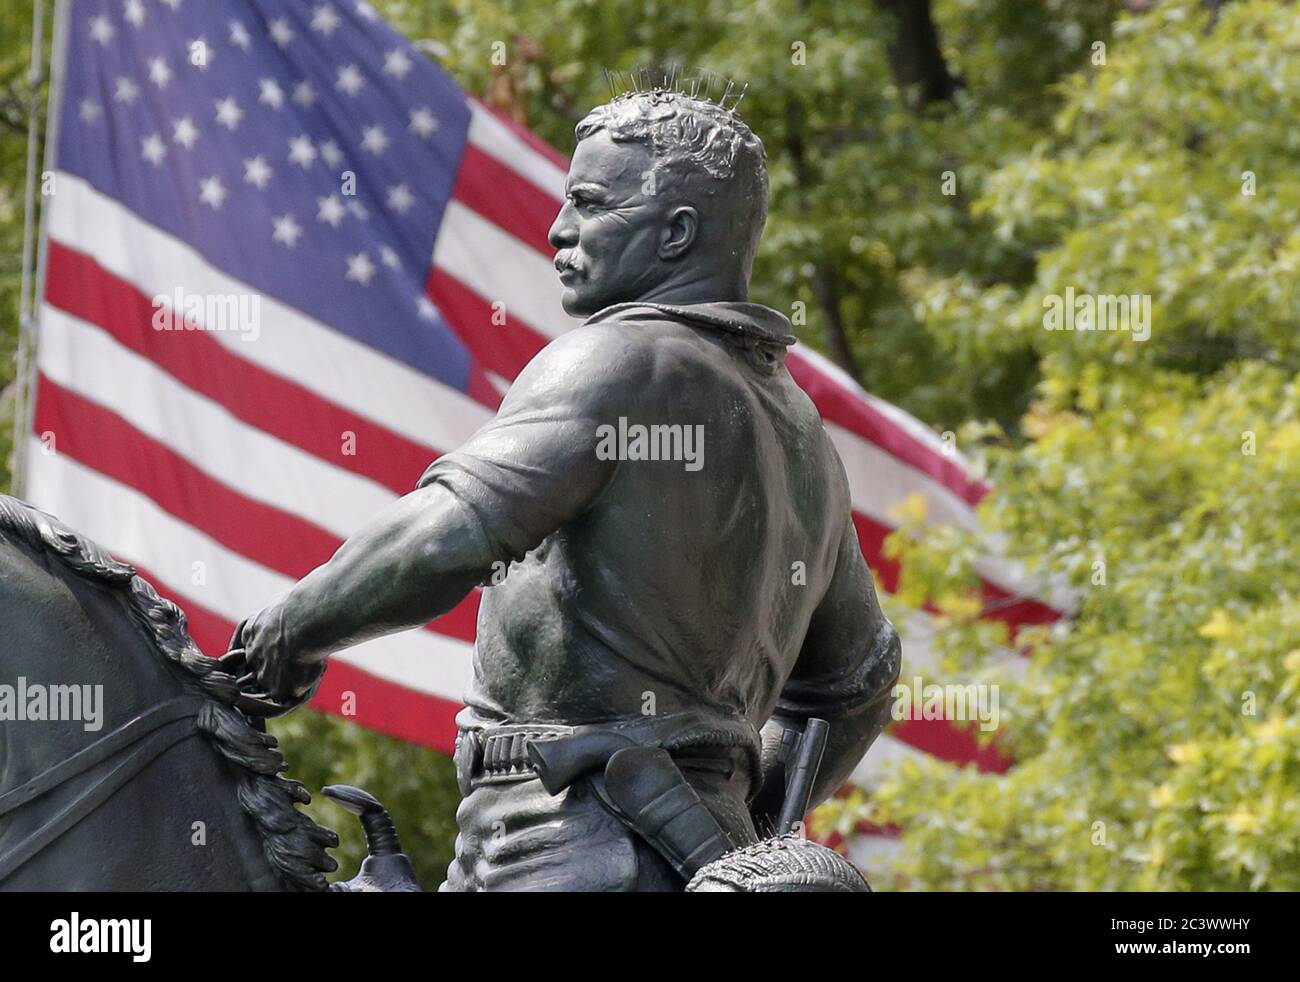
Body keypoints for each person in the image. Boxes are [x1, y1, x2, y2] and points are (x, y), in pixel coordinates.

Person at [231, 86, 901, 891]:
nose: (558, 229)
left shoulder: (622, 358)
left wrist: (288, 632)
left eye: (589, 203)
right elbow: (857, 686)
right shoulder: (804, 437)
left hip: (570, 851)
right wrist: (735, 821)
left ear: (676, 234)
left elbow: (450, 533)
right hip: (672, 850)